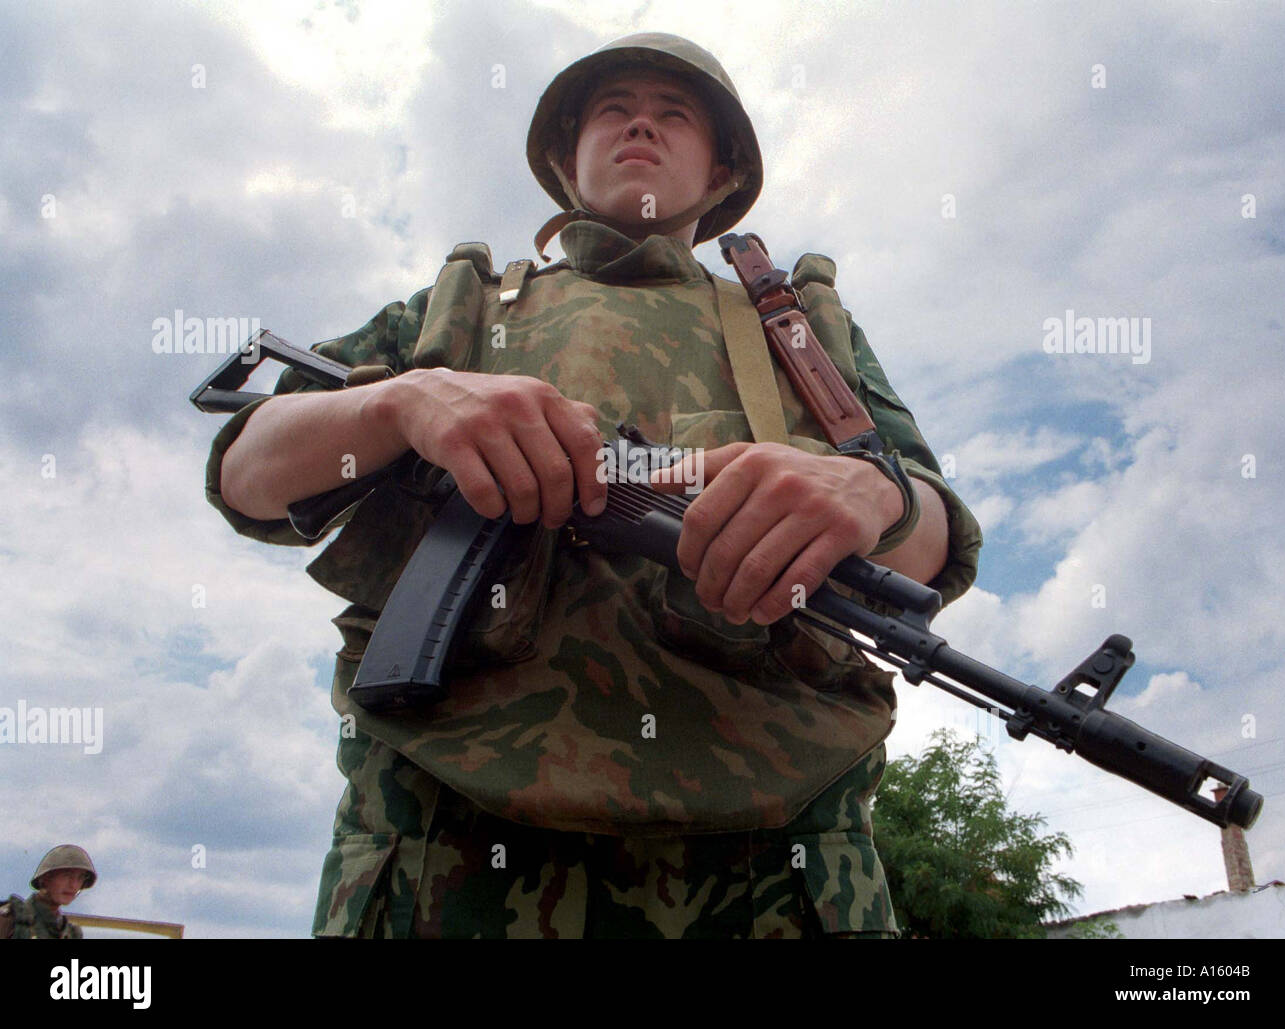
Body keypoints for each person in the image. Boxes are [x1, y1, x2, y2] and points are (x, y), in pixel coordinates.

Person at [208, 33, 982, 938]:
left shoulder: (801, 334)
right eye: (614, 109)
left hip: (780, 870)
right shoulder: (461, 313)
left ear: (722, 167)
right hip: (438, 861)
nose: (641, 123)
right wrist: (404, 404)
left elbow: (936, 542)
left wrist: (876, 500)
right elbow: (246, 470)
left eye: (674, 112)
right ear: (567, 160)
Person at [1, 845, 97, 939]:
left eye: (80, 878)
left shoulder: (71, 933)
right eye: (67, 875)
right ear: (45, 878)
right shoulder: (11, 919)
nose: (73, 885)